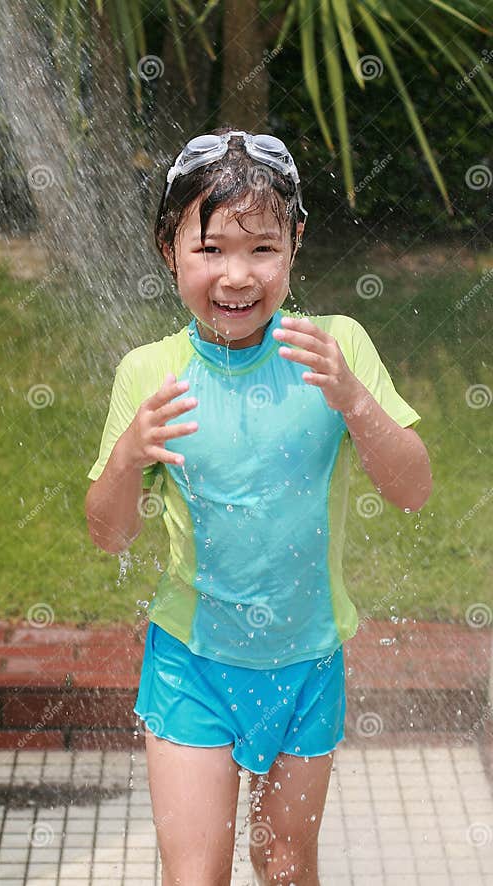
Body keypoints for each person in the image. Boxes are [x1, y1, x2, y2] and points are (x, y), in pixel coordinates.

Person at [85, 127, 432, 886]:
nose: (235, 276)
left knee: (283, 863)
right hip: (192, 664)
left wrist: (353, 401)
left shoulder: (334, 348)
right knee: (195, 874)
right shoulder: (151, 373)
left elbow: (412, 490)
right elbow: (109, 534)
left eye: (261, 249)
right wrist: (127, 457)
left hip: (306, 663)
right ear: (167, 250)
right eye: (209, 250)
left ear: (295, 245)